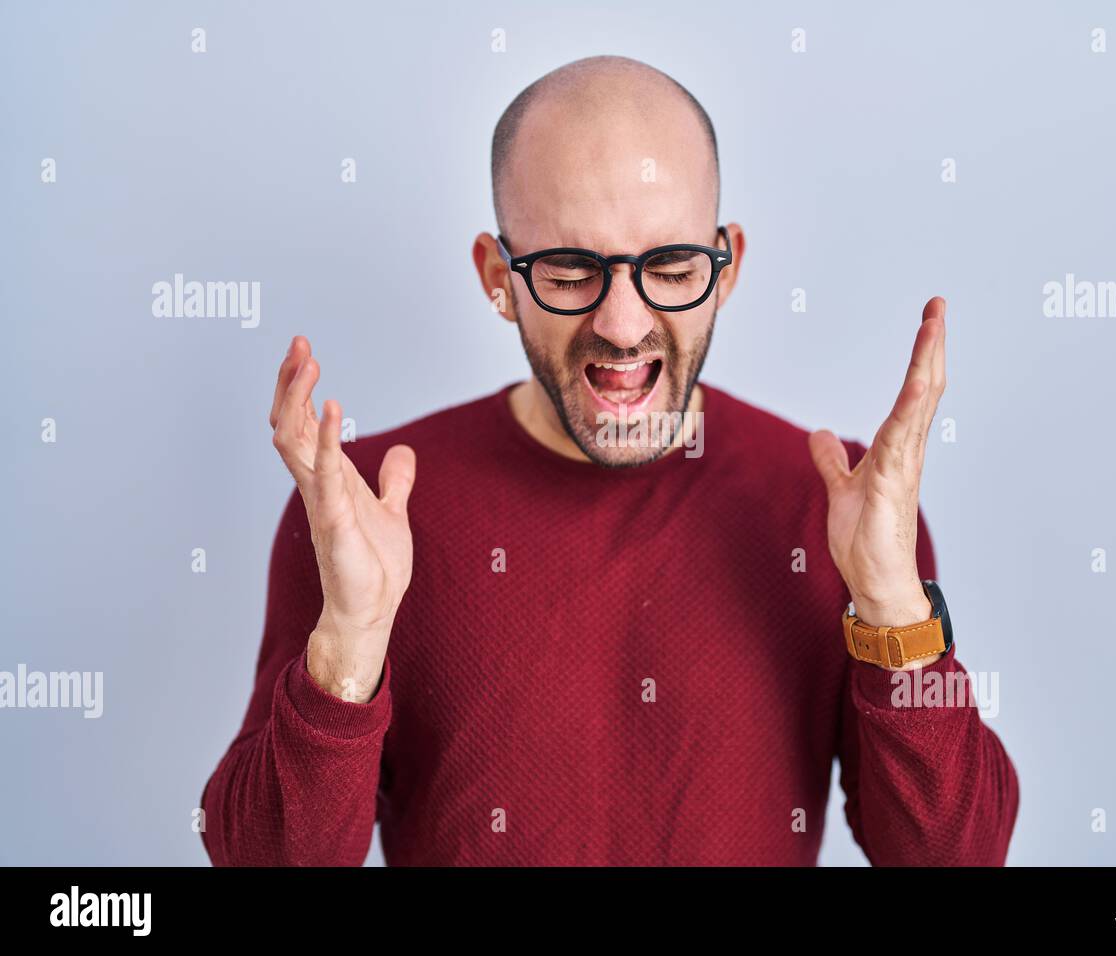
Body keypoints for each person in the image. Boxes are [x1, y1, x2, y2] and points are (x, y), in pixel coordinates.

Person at [200, 55, 1018, 866]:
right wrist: (350, 637)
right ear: (497, 277)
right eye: (568, 270)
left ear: (724, 270)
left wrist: (893, 608)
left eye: (669, 269)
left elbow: (957, 854)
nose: (624, 324)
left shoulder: (838, 507)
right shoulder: (363, 509)